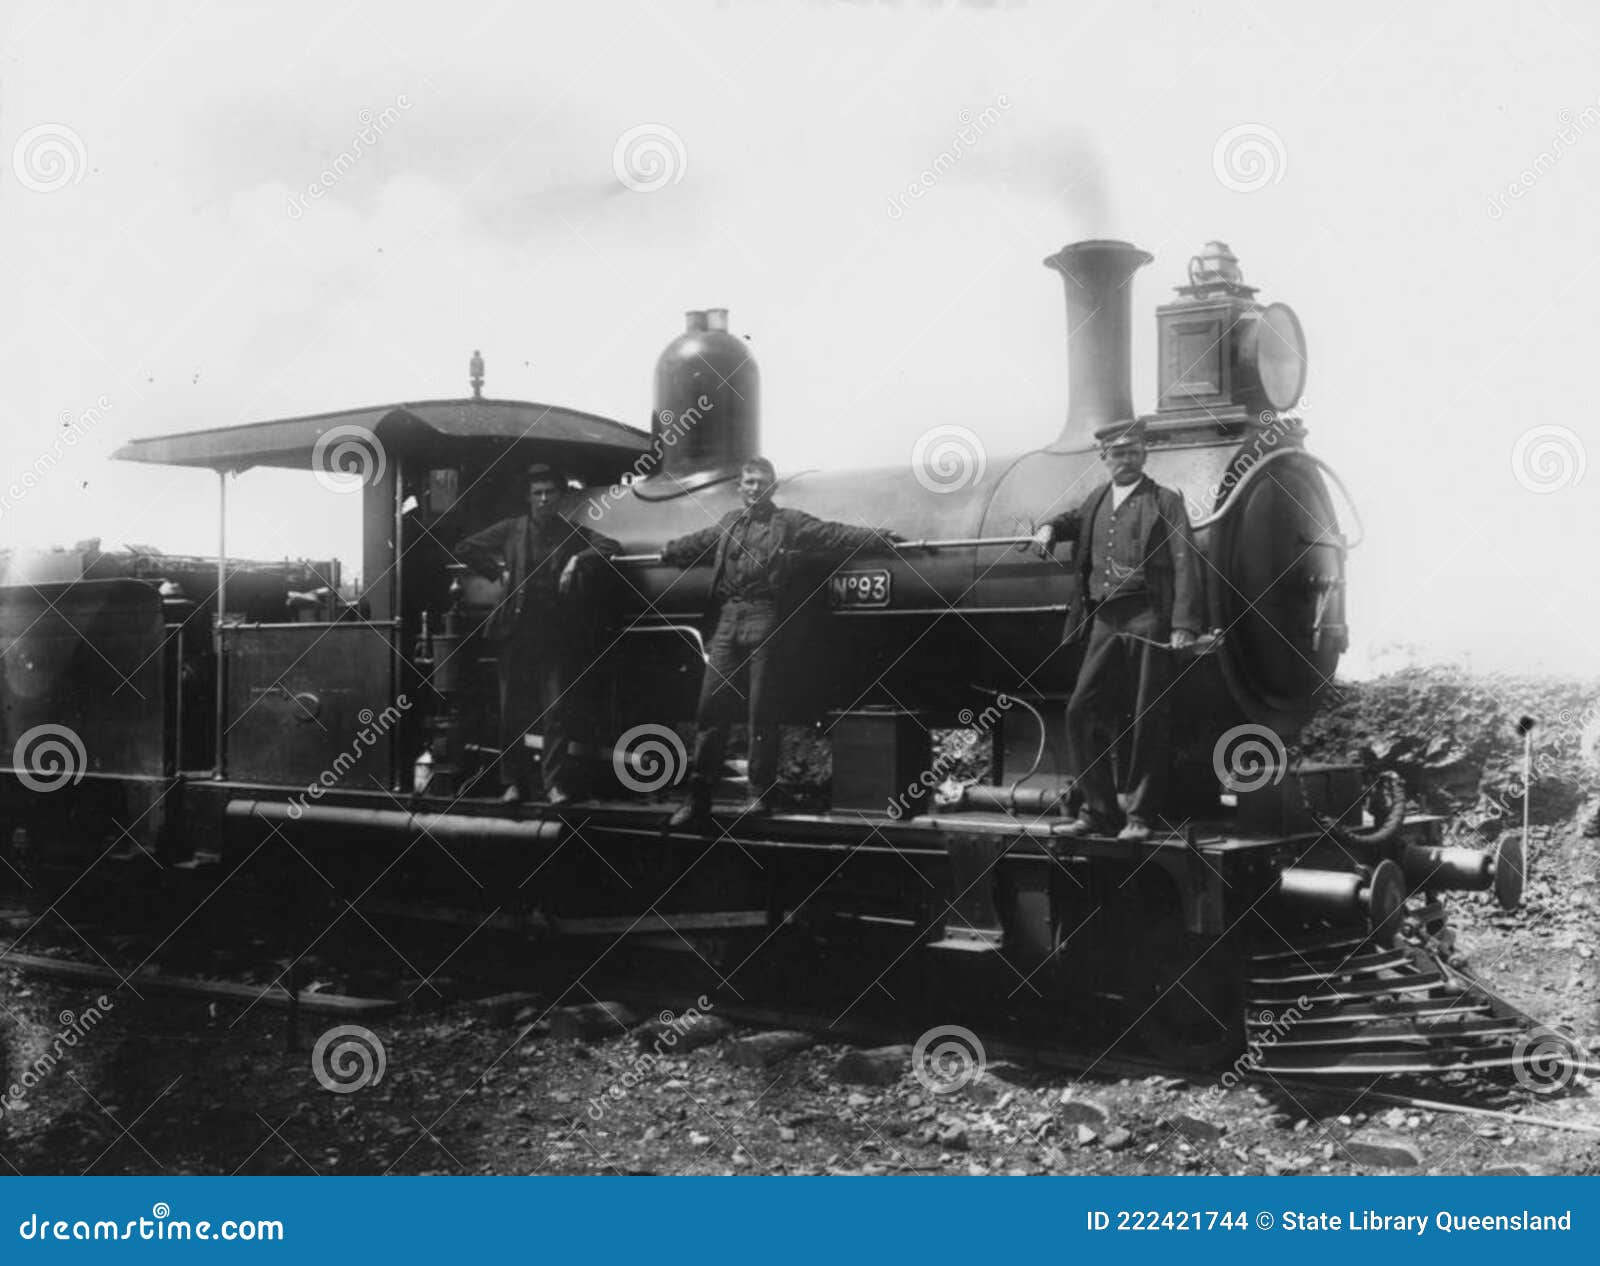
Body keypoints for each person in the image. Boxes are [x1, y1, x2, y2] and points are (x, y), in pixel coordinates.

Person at [660, 457, 903, 827]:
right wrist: (669, 549)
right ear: (739, 488)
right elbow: (698, 543)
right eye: (748, 482)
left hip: (765, 617)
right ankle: (698, 800)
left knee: (762, 712)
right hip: (728, 620)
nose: (754, 488)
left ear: (772, 488)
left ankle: (759, 796)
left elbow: (832, 534)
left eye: (761, 482)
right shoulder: (728, 523)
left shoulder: (788, 523)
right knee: (710, 710)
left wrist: (878, 538)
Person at [1029, 420, 1202, 842]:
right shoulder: (1096, 499)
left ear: (1144, 455)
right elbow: (1072, 520)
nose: (1126, 460)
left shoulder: (1165, 501)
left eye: (1134, 452)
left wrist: (1183, 624)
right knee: (1080, 711)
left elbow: (1186, 562)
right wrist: (1050, 527)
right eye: (1118, 453)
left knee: (1148, 717)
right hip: (1105, 618)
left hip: (1148, 617)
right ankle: (1099, 812)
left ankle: (1140, 817)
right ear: (1103, 458)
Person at [455, 463, 620, 805]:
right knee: (511, 710)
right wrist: (497, 571)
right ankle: (513, 783)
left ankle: (554, 785)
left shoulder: (570, 531)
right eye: (538, 493)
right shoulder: (511, 529)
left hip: (555, 634)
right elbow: (466, 548)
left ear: (560, 497)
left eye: (550, 493)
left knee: (556, 711)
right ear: (529, 497)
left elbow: (609, 544)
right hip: (515, 633)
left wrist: (577, 561)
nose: (544, 499)